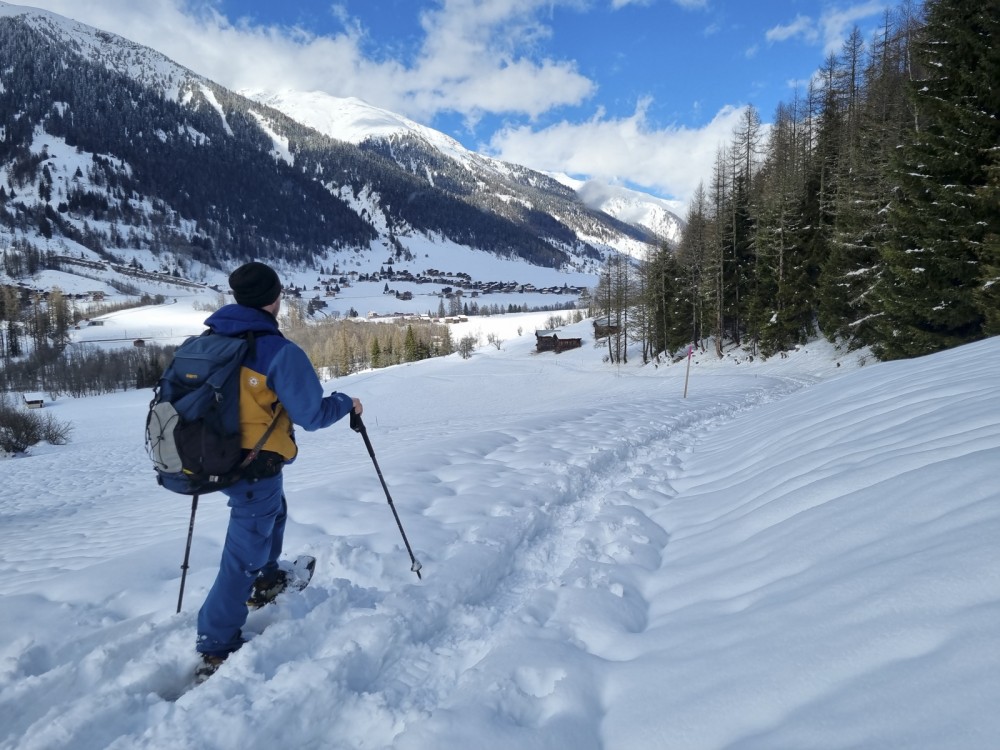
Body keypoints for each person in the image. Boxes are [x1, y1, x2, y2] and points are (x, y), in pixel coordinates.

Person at [195, 261, 361, 675]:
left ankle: (266, 578)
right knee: (242, 553)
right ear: (274, 299)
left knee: (274, 512)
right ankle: (216, 642)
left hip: (214, 456)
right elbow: (312, 414)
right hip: (252, 465)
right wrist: (347, 403)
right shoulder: (277, 351)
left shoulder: (210, 339)